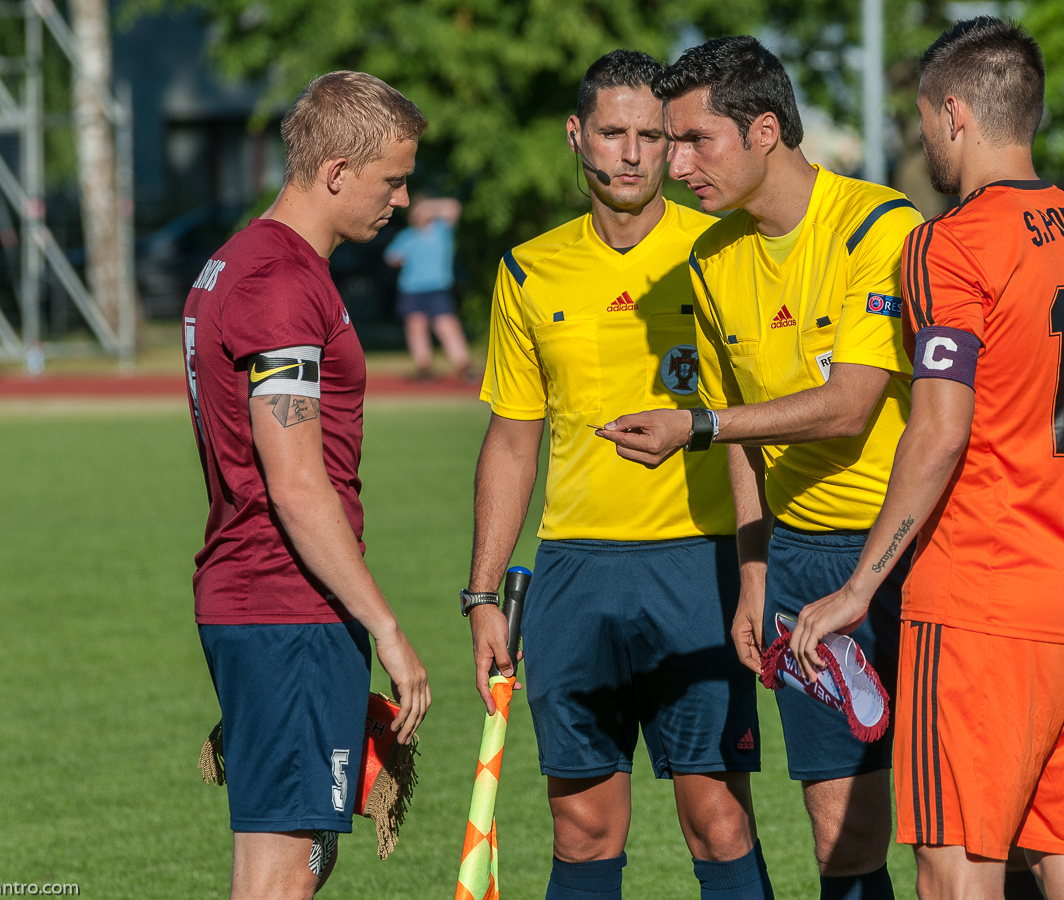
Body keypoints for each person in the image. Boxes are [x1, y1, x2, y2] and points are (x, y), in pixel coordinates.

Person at [786, 17, 1064, 900]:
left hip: (977, 607)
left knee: (956, 870)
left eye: (924, 119)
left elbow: (938, 429)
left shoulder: (946, 243)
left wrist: (858, 588)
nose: (924, 138)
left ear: (952, 113)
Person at [598, 36, 924, 900]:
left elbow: (850, 404)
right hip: (804, 561)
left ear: (765, 129)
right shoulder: (709, 260)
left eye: (693, 140)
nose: (673, 166)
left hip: (919, 548)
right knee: (839, 830)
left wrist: (696, 425)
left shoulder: (880, 227)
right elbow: (742, 439)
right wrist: (754, 575)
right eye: (670, 142)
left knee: (962, 824)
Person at [466, 50, 774, 900]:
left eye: (652, 136)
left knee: (718, 820)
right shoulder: (528, 269)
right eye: (612, 133)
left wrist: (754, 572)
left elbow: (753, 421)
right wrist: (482, 591)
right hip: (574, 571)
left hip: (698, 564)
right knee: (582, 829)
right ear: (577, 135)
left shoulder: (721, 250)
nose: (633, 154)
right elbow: (512, 441)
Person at [182, 71, 432, 900]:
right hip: (283, 605)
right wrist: (387, 630)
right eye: (391, 179)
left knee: (297, 856)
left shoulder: (240, 261)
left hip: (272, 603)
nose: (401, 199)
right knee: (283, 875)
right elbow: (294, 483)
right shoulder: (281, 281)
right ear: (335, 171)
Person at [383, 195, 473, 379]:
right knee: (416, 327)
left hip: (437, 287)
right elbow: (391, 257)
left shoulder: (442, 230)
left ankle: (463, 365)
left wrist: (427, 205)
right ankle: (424, 367)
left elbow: (454, 206)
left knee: (446, 325)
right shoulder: (407, 236)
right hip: (411, 288)